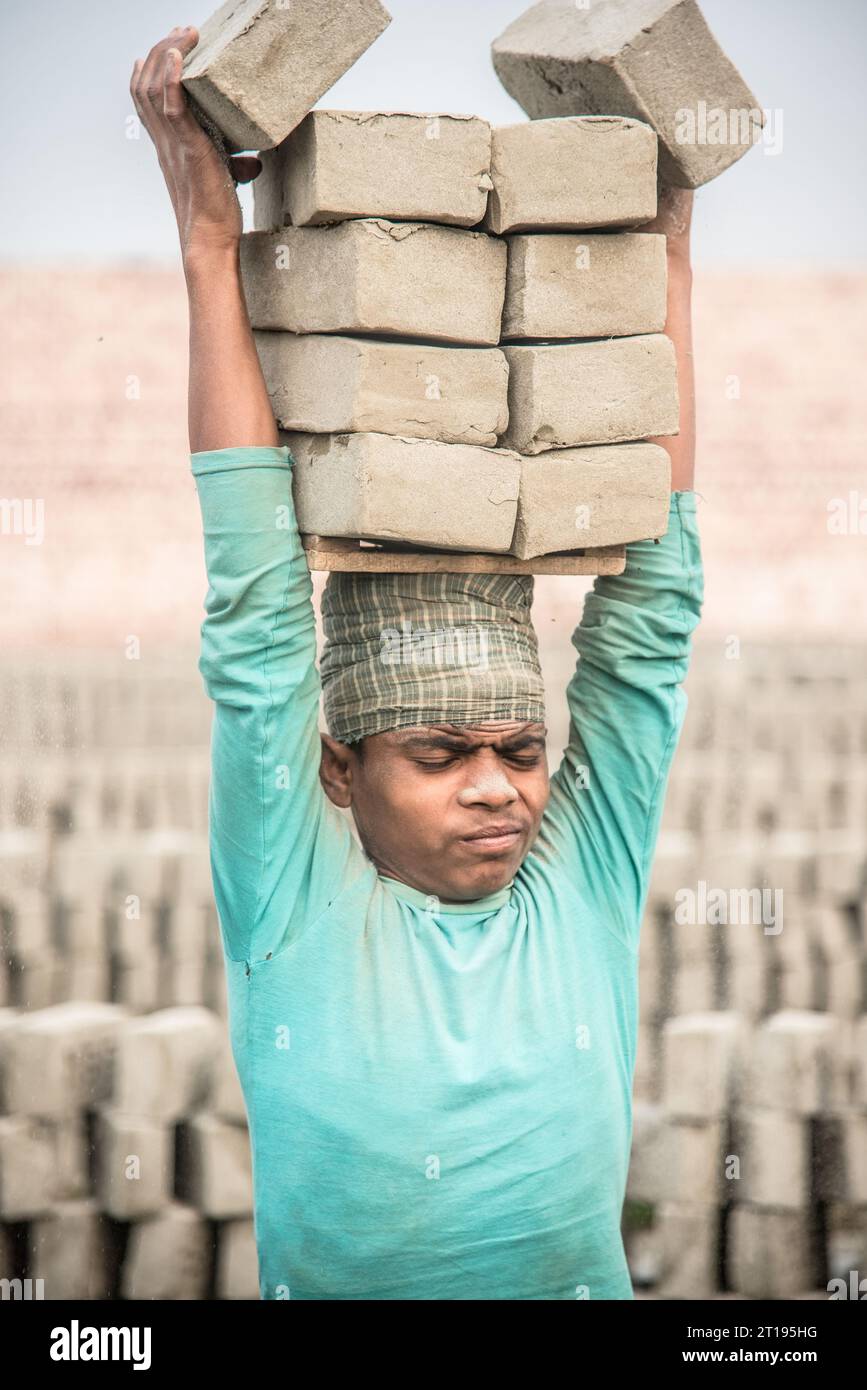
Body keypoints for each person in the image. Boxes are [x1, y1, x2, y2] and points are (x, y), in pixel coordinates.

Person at [131, 25, 703, 1300]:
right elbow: (257, 615)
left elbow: (649, 619)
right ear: (340, 771)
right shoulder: (296, 906)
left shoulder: (582, 886)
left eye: (519, 751)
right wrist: (209, 245)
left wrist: (653, 254)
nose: (499, 790)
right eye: (440, 757)